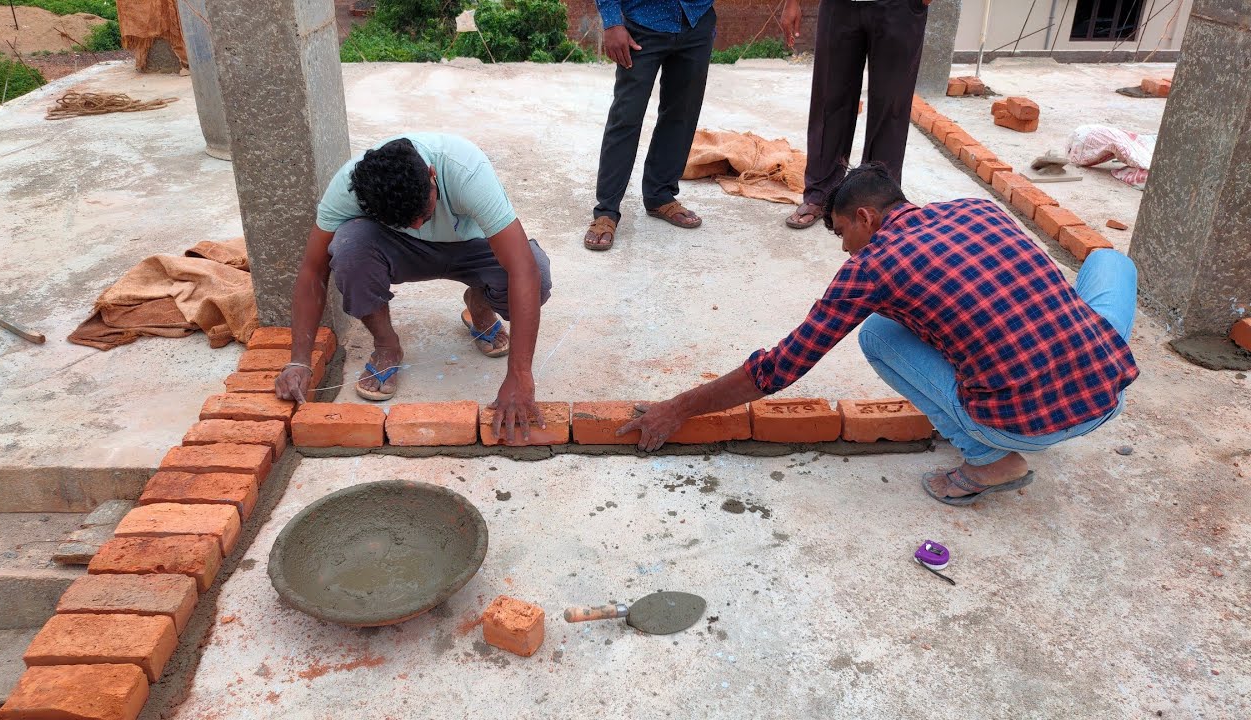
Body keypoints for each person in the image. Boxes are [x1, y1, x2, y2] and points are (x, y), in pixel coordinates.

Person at [621, 164, 1140, 506]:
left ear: (865, 217)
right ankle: (1067, 377)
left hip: (1020, 426)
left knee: (878, 336)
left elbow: (779, 367)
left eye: (843, 232)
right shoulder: (978, 208)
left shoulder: (871, 267)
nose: (846, 249)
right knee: (1110, 263)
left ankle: (991, 460)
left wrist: (680, 407)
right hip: (1107, 391)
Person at [274, 133, 553, 441]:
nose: (419, 225)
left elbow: (523, 269)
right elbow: (313, 271)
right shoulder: (349, 188)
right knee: (349, 250)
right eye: (406, 221)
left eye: (424, 212)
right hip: (405, 252)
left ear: (432, 176)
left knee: (537, 272)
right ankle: (386, 345)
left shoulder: (465, 169)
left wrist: (520, 375)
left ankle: (479, 305)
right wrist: (298, 360)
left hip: (472, 247)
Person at [779, 0, 931, 229]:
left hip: (899, 8)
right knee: (829, 100)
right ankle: (820, 195)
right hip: (839, 6)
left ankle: (878, 202)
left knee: (891, 107)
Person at [582, 0, 718, 251]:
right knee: (626, 117)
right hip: (642, 22)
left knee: (681, 114)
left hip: (696, 20)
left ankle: (660, 195)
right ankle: (607, 210)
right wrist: (612, 22)